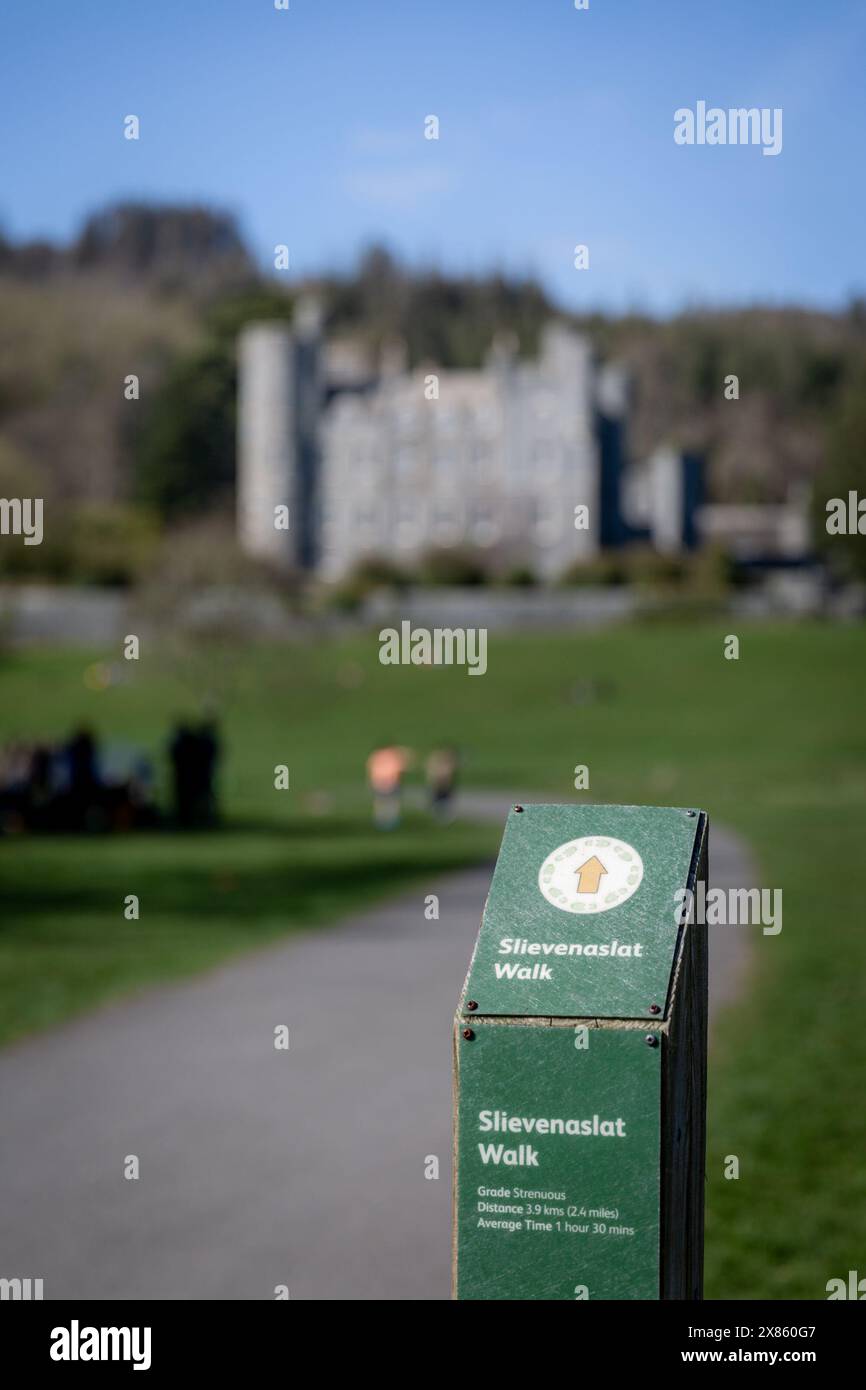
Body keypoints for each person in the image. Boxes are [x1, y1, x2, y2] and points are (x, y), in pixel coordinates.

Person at [366, 744, 411, 830]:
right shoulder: (392, 756)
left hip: (381, 782)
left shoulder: (376, 756)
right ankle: (387, 821)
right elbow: (402, 768)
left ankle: (383, 820)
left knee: (383, 803)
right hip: (390, 782)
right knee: (389, 803)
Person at [426, 746, 460, 822]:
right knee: (437, 801)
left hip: (446, 786)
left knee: (446, 802)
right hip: (439, 786)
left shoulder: (448, 764)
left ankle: (445, 818)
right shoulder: (438, 763)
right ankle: (438, 817)